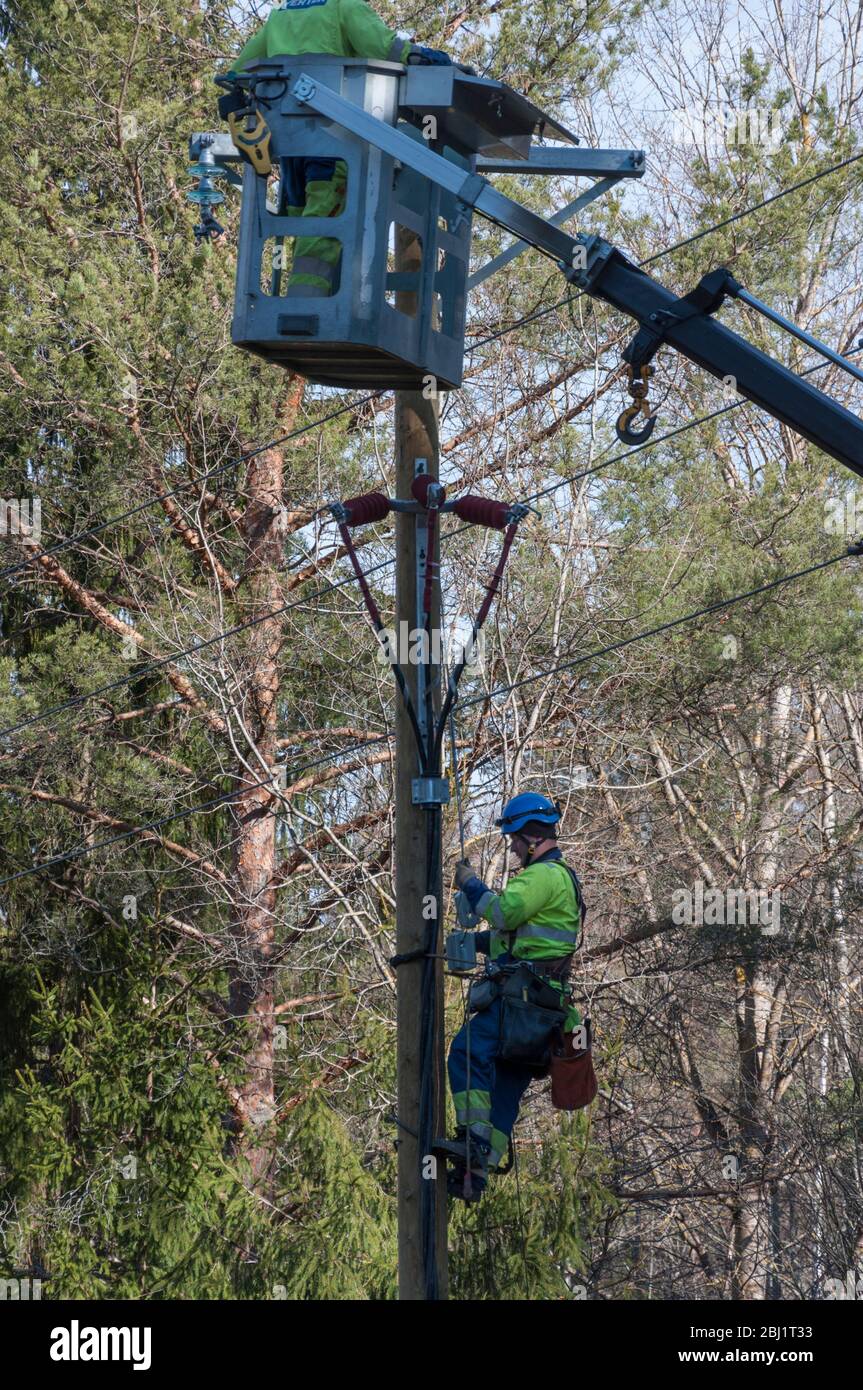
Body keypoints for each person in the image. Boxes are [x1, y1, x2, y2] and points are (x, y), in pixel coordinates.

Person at [222, 2, 452, 296]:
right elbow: (384, 49)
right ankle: (306, 303)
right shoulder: (344, 6)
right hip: (331, 143)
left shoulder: (281, 16)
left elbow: (237, 71)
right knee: (322, 225)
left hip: (290, 149)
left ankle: (303, 299)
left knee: (303, 223)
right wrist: (424, 57)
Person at [445, 792, 586, 1199]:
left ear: (531, 838)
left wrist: (471, 885)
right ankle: (480, 1170)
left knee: (468, 1051)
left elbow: (504, 912)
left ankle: (472, 1142)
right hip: (543, 1009)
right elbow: (518, 938)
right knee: (506, 1081)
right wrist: (475, 945)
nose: (513, 849)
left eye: (514, 841)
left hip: (525, 1002)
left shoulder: (544, 876)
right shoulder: (560, 880)